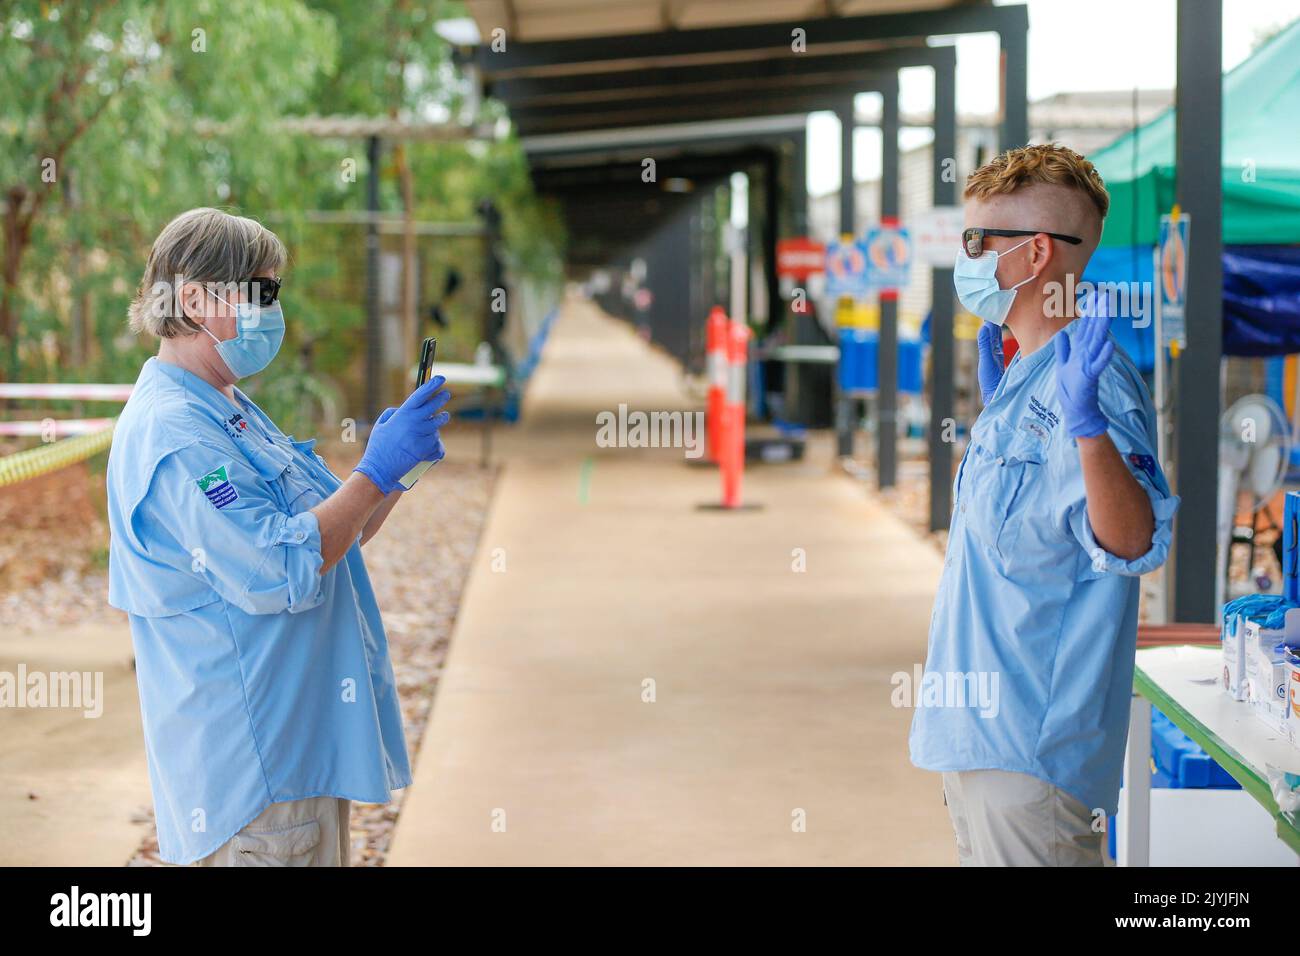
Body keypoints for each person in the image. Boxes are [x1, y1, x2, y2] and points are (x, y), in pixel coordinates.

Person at [106, 207, 451, 866]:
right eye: (258, 293)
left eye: (275, 293)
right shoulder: (177, 435)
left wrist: (393, 474)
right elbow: (276, 567)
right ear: (195, 298)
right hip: (252, 776)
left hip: (296, 752)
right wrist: (373, 471)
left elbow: (328, 538)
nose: (273, 312)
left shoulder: (228, 405)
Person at [908, 145, 1180, 866]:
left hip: (1033, 753)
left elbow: (1133, 543)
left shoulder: (1094, 385)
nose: (966, 257)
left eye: (977, 242)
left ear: (1032, 256)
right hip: (977, 742)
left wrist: (1088, 428)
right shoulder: (1022, 376)